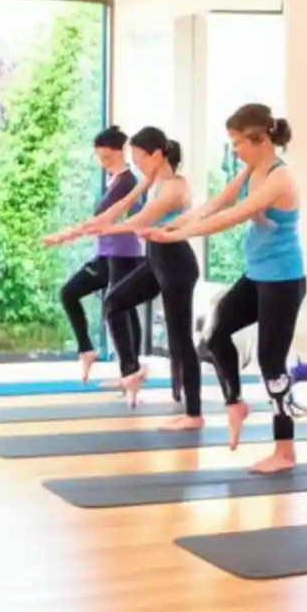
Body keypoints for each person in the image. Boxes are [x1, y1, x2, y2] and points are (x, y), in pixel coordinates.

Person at [143, 103, 305, 474]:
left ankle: (285, 449)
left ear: (260, 138)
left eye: (237, 143)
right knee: (214, 334)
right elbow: (218, 203)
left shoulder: (280, 178)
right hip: (257, 275)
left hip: (284, 281)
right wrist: (171, 227)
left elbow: (233, 216)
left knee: (271, 363)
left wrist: (179, 234)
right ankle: (235, 403)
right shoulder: (254, 169)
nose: (235, 151)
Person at [80, 127, 204, 430]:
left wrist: (106, 229)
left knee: (180, 339)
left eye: (138, 158)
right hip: (155, 261)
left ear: (157, 155)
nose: (135, 165)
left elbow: (140, 220)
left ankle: (194, 414)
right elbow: (123, 207)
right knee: (115, 301)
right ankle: (132, 370)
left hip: (177, 265)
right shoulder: (152, 181)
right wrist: (92, 223)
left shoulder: (177, 187)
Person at [41, 126, 146, 385]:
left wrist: (64, 235)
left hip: (121, 256)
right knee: (116, 307)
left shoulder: (128, 183)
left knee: (115, 307)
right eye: (100, 158)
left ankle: (129, 371)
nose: (103, 163)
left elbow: (102, 220)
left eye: (107, 157)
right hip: (109, 254)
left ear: (122, 152)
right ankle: (119, 366)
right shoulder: (116, 182)